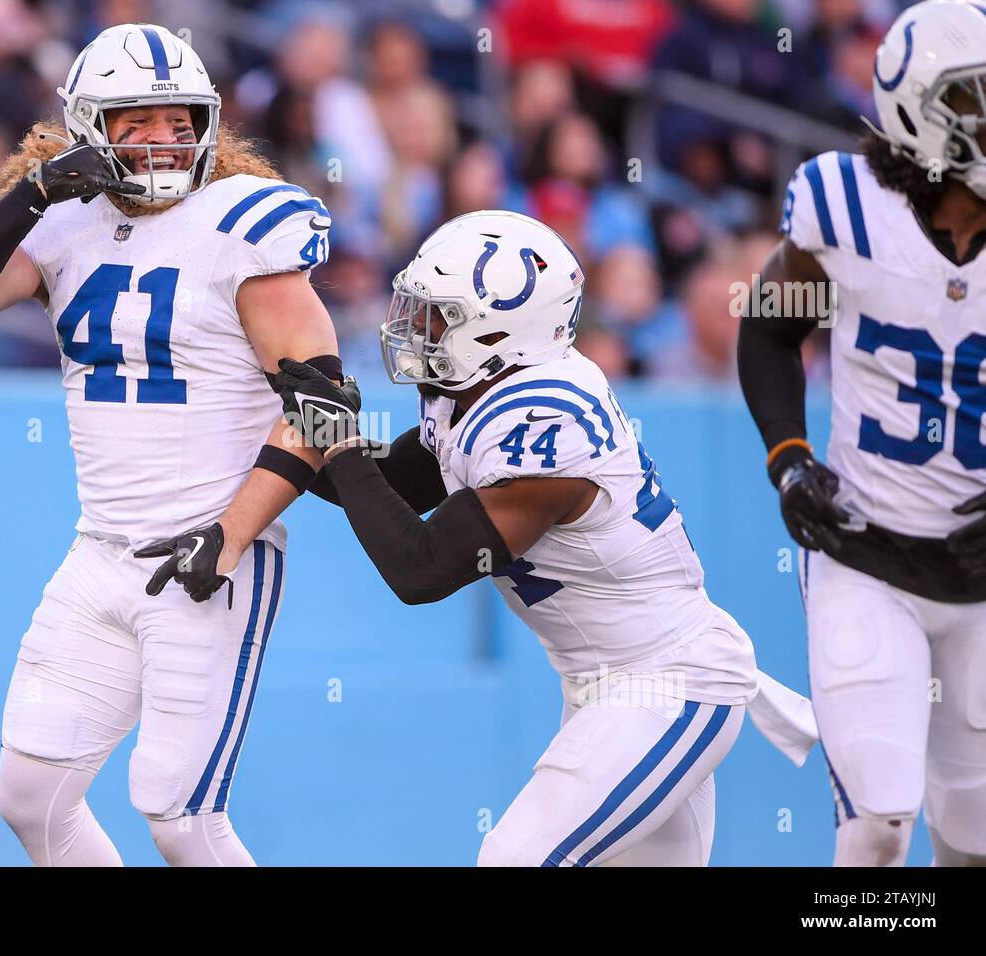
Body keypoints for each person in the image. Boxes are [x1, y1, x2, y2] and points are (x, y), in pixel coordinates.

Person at [275, 210, 816, 866]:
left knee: (516, 858)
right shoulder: (474, 389)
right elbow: (386, 483)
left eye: (439, 315)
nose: (415, 328)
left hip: (668, 683)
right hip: (606, 689)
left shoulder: (543, 425)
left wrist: (339, 447)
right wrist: (302, 425)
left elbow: (419, 570)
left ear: (504, 331)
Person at [0, 23, 341, 867]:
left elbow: (328, 413)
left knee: (182, 820)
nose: (163, 140)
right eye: (136, 121)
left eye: (178, 119)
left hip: (213, 553)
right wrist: (34, 193)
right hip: (100, 552)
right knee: (31, 798)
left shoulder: (246, 223)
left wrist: (226, 538)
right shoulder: (62, 223)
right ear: (88, 127)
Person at [738, 0, 986, 868]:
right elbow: (769, 328)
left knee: (974, 839)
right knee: (880, 822)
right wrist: (789, 459)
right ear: (923, 110)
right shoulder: (847, 208)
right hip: (866, 554)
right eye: (979, 99)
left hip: (981, 574)